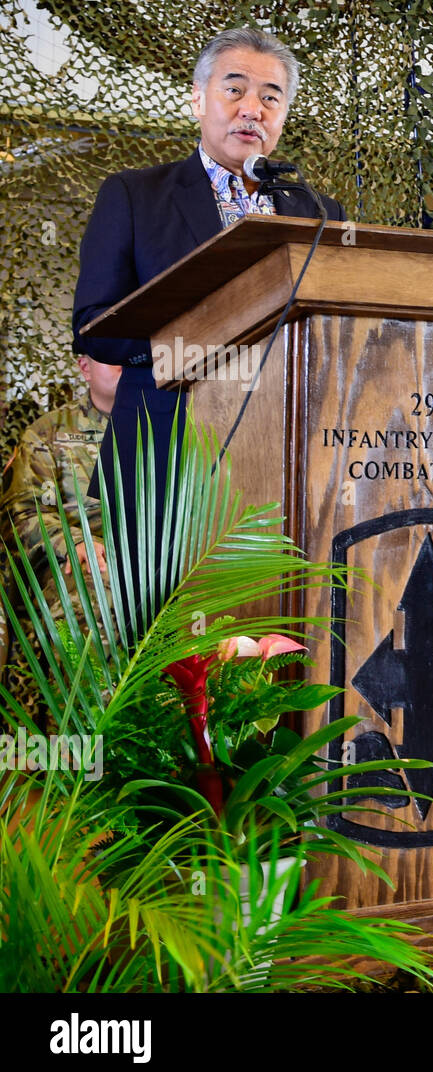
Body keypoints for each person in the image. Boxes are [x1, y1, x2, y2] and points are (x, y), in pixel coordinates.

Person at [71, 27, 344, 628]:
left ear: (284, 115)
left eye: (271, 96)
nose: (253, 108)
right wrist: (203, 340)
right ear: (199, 99)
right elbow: (96, 327)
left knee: (277, 646)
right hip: (162, 461)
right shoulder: (134, 196)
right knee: (160, 656)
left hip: (288, 464)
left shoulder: (316, 212)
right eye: (235, 89)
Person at [0, 354, 120, 673]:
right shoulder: (49, 433)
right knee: (94, 593)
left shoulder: (174, 423)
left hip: (155, 557)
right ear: (85, 368)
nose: (124, 363)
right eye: (112, 355)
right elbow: (21, 513)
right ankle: (91, 718)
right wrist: (73, 543)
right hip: (73, 560)